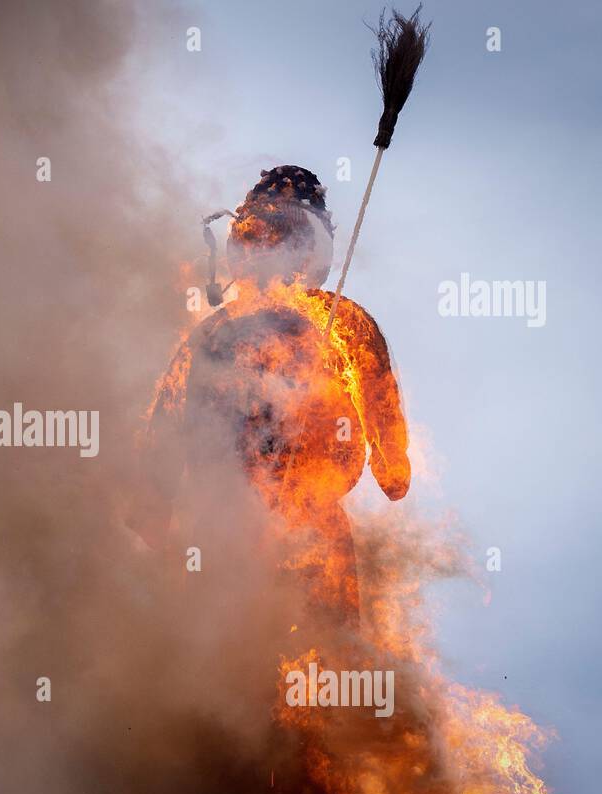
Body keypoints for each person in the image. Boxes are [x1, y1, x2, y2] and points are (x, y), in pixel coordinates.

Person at [140, 165, 411, 631]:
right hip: (239, 526)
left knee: (298, 660)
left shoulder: (329, 321)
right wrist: (392, 470)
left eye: (278, 235)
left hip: (263, 524)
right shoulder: (221, 331)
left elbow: (161, 435)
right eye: (261, 236)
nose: (269, 245)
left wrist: (153, 508)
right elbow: (382, 409)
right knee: (305, 659)